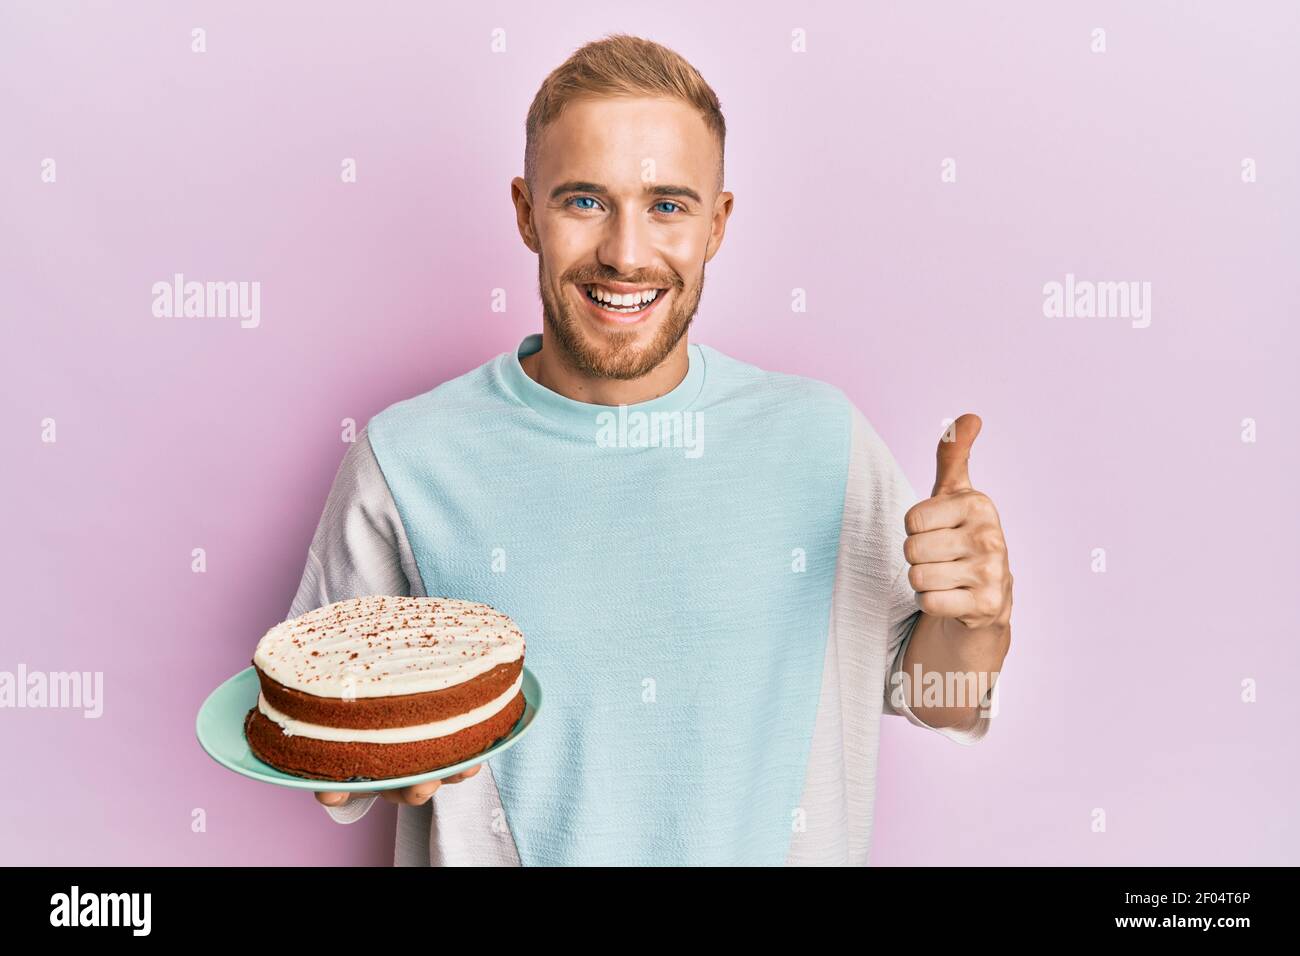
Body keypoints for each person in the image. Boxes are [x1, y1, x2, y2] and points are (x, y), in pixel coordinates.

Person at [295, 33, 1012, 866]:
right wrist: (370, 754)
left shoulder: (822, 440)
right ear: (527, 212)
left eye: (667, 205)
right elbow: (330, 760)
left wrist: (981, 621)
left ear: (717, 224)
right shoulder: (406, 458)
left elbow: (946, 700)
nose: (626, 253)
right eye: (585, 202)